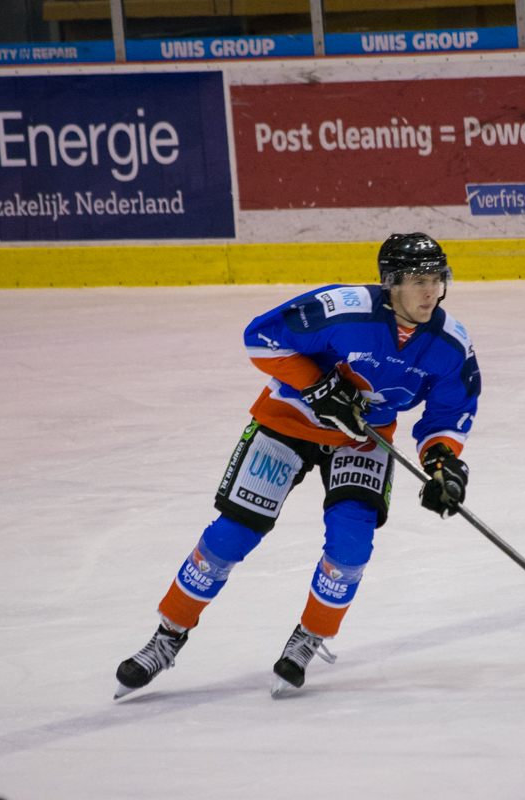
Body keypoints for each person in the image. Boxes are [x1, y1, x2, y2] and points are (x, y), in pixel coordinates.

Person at [114, 232, 481, 699]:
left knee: (351, 546)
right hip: (289, 419)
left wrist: (443, 463)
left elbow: (450, 412)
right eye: (417, 280)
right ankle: (167, 637)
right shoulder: (340, 308)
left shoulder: (450, 344)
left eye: (436, 280)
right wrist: (318, 385)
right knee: (233, 533)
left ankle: (309, 636)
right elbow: (260, 337)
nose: (430, 292)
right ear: (390, 283)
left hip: (362, 438)